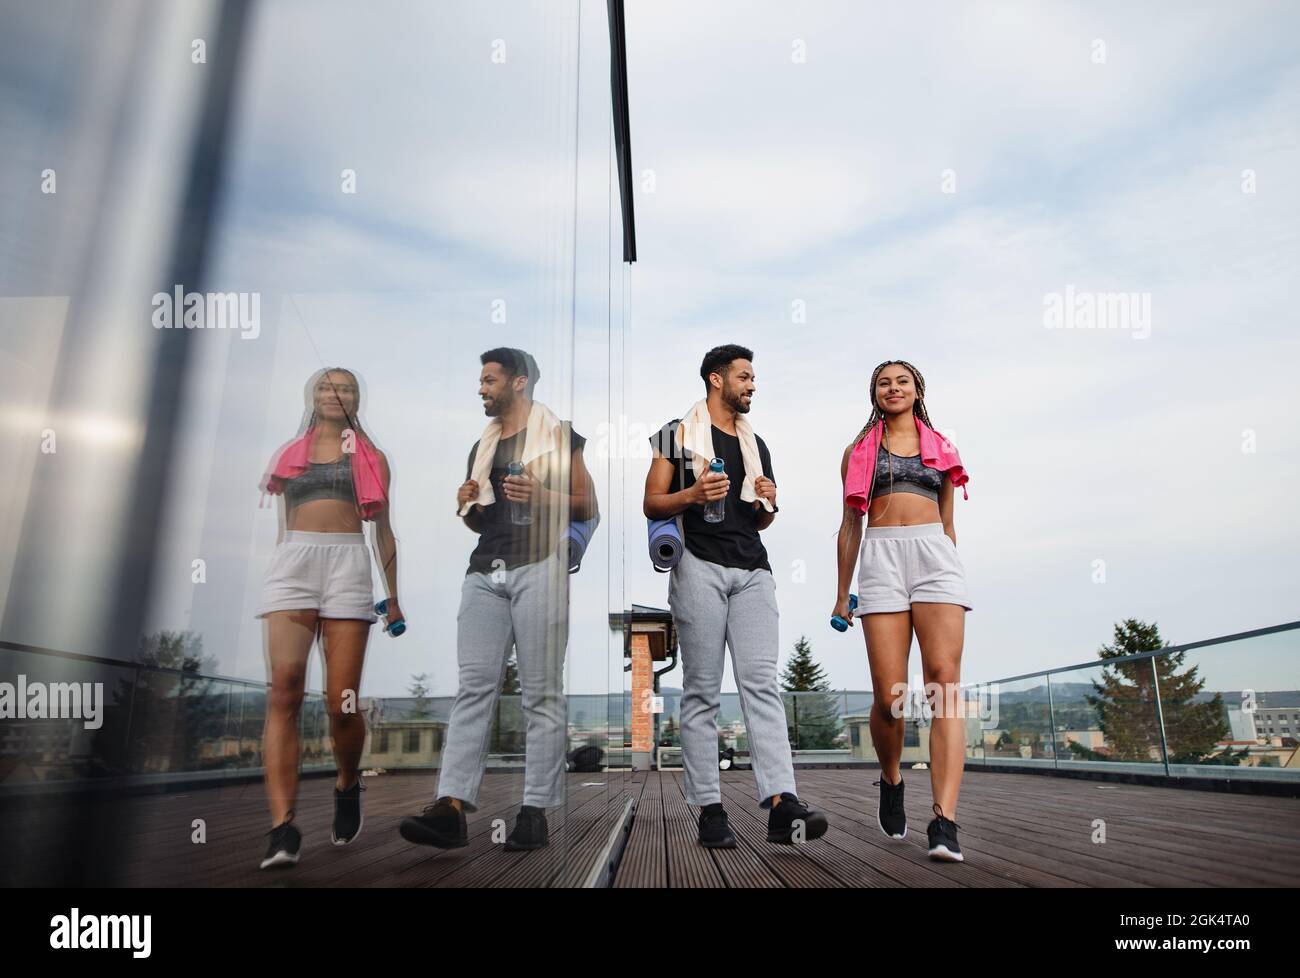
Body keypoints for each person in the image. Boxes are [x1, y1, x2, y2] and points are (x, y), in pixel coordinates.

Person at [399, 348, 596, 851]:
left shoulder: (560, 436)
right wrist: (467, 502)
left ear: (519, 383)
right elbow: (480, 520)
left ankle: (534, 810)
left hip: (541, 566)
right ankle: (451, 807)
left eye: (489, 380)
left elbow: (587, 503)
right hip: (486, 570)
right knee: (473, 689)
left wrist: (542, 497)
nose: (481, 388)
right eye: (480, 380)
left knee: (540, 693)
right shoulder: (482, 446)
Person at [644, 344, 828, 848]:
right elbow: (651, 501)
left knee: (761, 684)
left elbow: (761, 518)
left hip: (752, 570)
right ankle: (709, 807)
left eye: (754, 378)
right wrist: (692, 495)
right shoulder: (676, 435)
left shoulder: (755, 443)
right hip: (699, 565)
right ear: (716, 380)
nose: (753, 385)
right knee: (702, 690)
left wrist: (769, 500)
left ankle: (779, 802)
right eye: (745, 376)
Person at [256, 367, 400, 868]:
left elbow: (383, 531)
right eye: (326, 385)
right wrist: (282, 568)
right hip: (294, 563)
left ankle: (346, 781)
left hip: (348, 564)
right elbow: (282, 524)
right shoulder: (289, 455)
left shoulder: (371, 457)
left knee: (341, 703)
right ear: (313, 396)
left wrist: (394, 596)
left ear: (356, 401)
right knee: (285, 688)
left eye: (346, 387)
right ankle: (282, 828)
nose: (335, 392)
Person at [834, 359, 971, 862]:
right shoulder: (859, 451)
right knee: (890, 695)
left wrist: (951, 569)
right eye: (883, 382)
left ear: (917, 391)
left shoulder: (942, 448)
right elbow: (850, 525)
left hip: (935, 556)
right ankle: (892, 780)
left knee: (944, 682)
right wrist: (841, 591)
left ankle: (945, 822)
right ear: (874, 393)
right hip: (881, 556)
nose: (893, 388)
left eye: (902, 382)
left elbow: (948, 520)